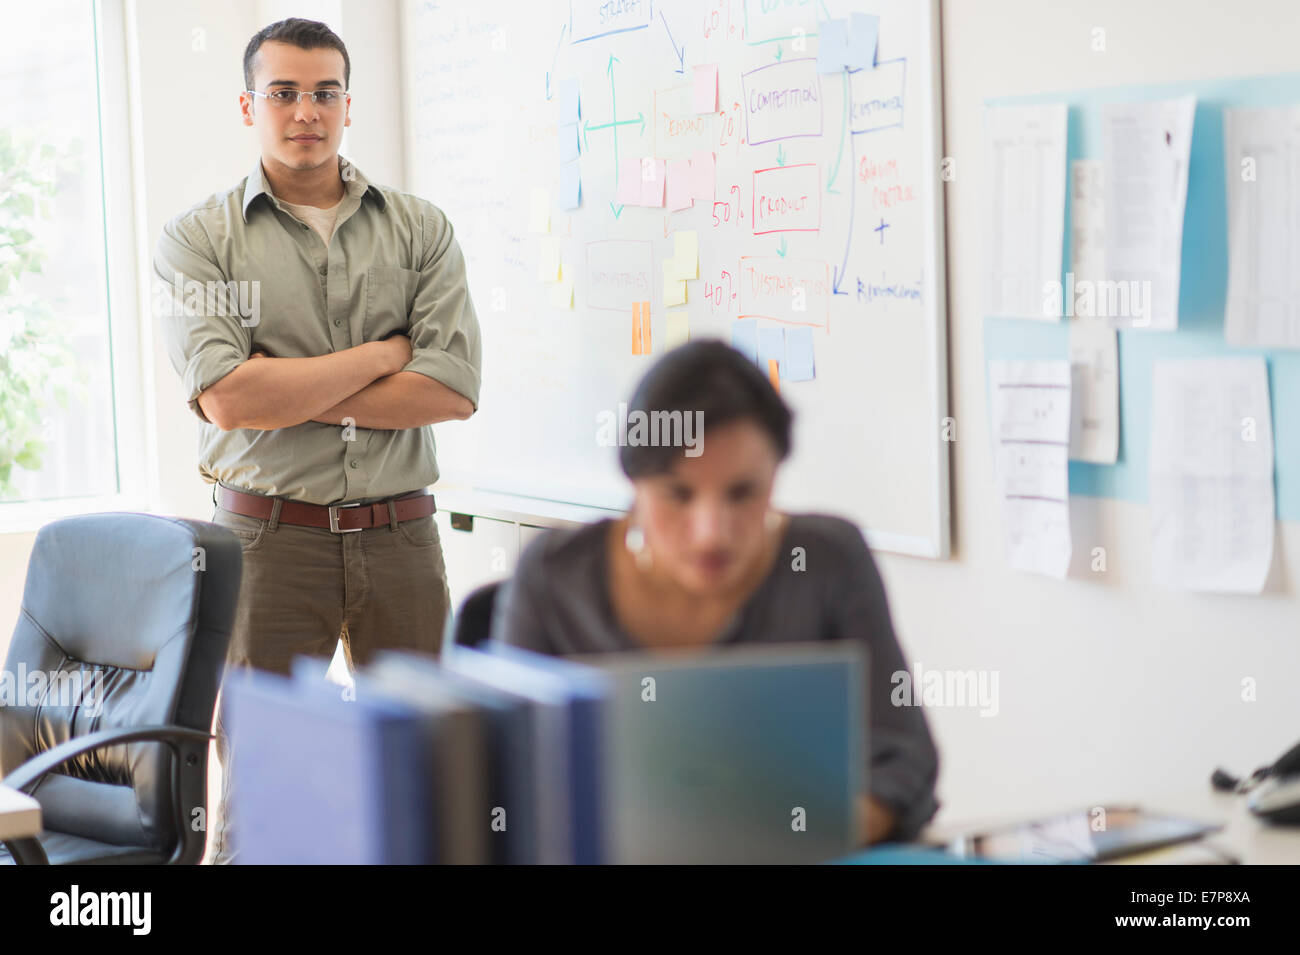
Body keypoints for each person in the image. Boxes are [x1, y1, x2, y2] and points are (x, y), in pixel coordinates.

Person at [153, 18, 482, 864]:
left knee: (428, 782)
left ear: (347, 105)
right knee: (266, 796)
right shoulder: (200, 239)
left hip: (403, 537)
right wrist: (382, 355)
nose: (307, 110)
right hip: (268, 542)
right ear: (248, 105)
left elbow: (449, 390)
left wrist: (288, 384)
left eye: (325, 92)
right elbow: (227, 397)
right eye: (285, 92)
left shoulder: (420, 230)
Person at [490, 340, 939, 845]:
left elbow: (903, 762)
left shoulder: (828, 563)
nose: (712, 533)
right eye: (678, 495)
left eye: (743, 492)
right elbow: (506, 781)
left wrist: (799, 838)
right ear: (634, 481)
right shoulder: (555, 577)